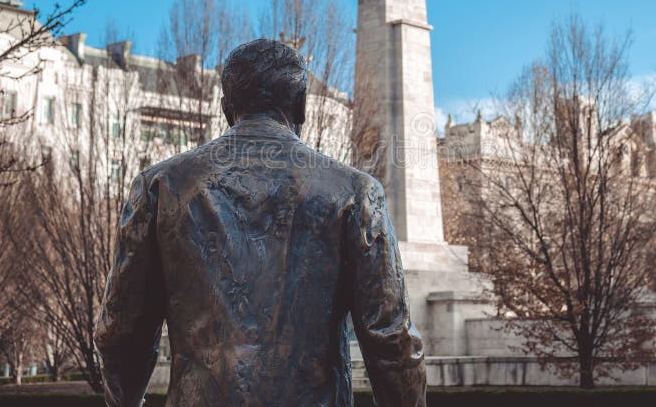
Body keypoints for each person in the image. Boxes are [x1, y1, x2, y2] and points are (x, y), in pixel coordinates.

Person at [95, 38, 426, 406]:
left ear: (225, 108)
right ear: (301, 106)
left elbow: (121, 334)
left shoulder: (160, 188)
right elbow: (393, 343)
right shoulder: (356, 193)